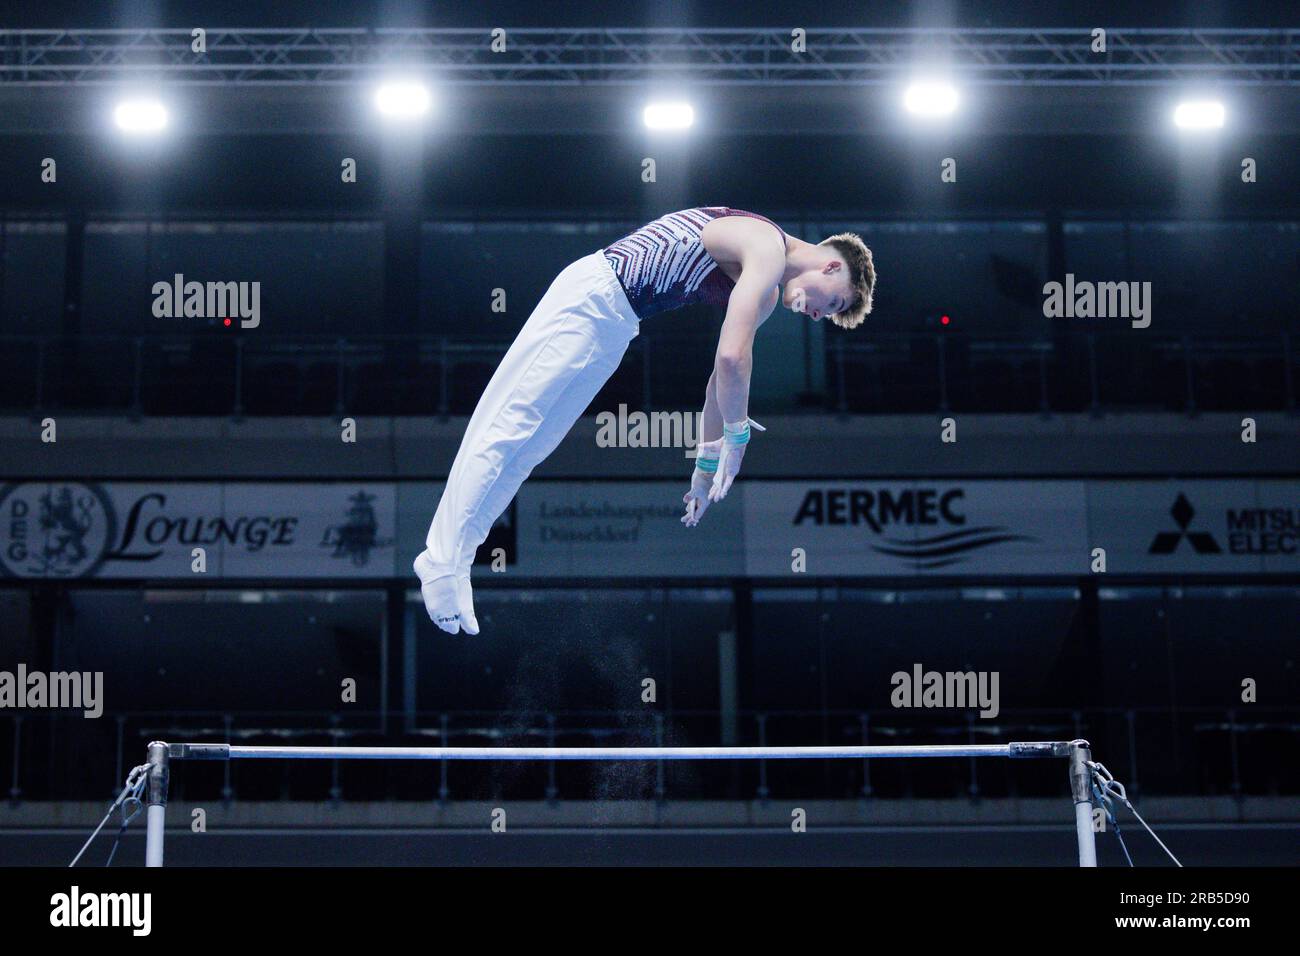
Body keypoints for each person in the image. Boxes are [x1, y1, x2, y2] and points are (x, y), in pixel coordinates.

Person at [414, 207, 876, 633]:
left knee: (530, 448)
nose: (819, 316)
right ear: (831, 266)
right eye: (832, 305)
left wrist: (705, 467)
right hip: (591, 296)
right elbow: (733, 357)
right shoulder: (765, 244)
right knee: (506, 427)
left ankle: (458, 561)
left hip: (616, 324)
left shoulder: (768, 291)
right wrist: (736, 436)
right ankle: (438, 559)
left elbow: (719, 380)